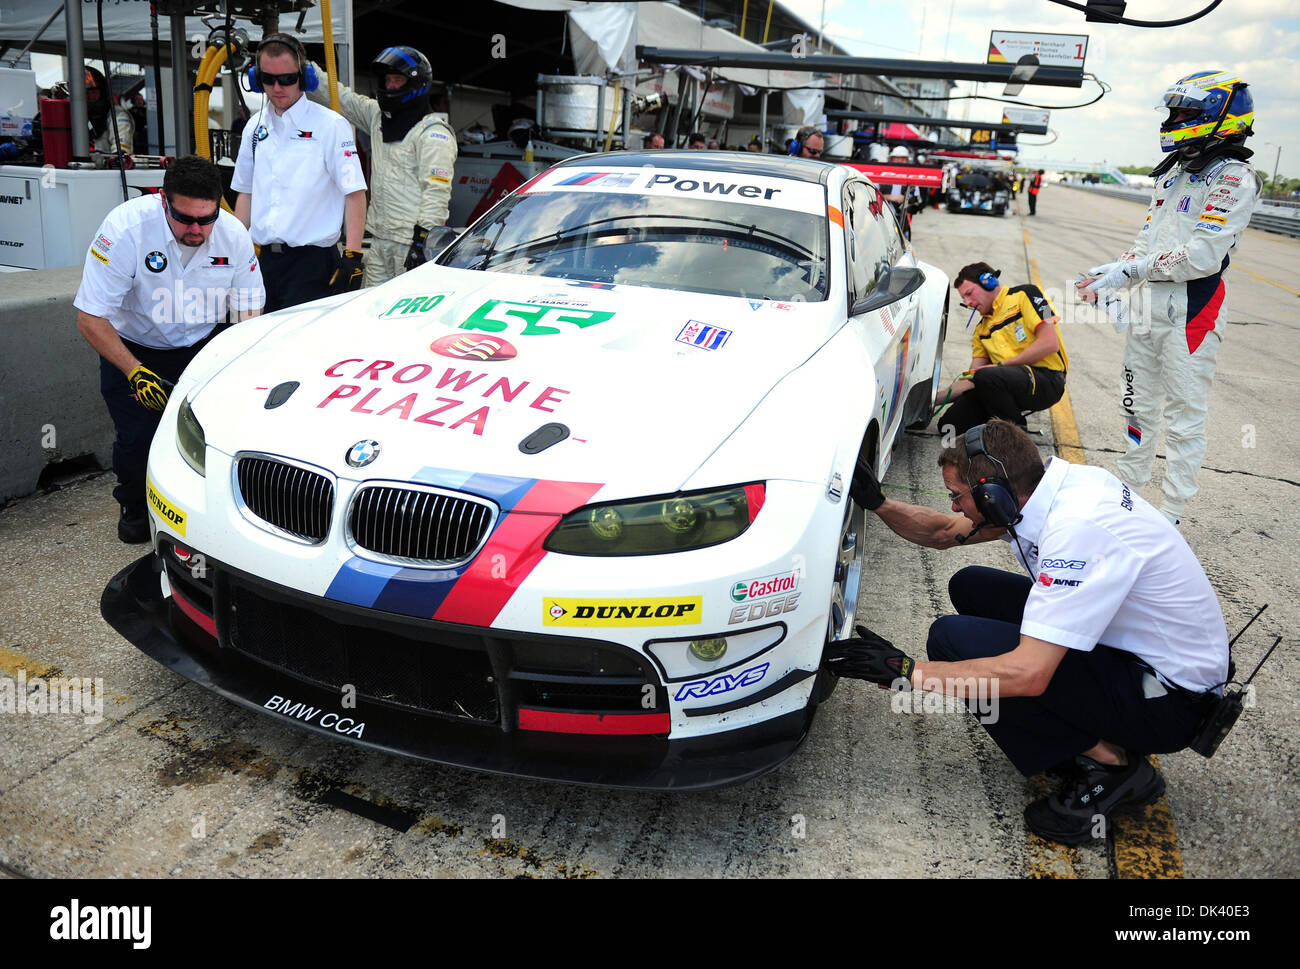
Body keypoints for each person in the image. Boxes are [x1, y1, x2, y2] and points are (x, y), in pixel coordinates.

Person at [831, 419, 1230, 845]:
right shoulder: (1055, 487)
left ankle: (1113, 766)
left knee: (951, 640)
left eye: (956, 497)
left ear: (992, 493)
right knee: (970, 586)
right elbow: (945, 533)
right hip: (1141, 659)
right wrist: (878, 504)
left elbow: (1028, 674)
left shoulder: (1077, 530)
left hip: (1169, 705)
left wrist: (905, 671)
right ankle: (1088, 731)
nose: (952, 507)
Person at [1077, 71, 1258, 526]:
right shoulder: (1173, 173)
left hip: (1192, 310)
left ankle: (1172, 513)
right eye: (1174, 112)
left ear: (1216, 117)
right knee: (1135, 403)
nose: (1174, 120)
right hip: (1148, 308)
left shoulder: (1233, 177)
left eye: (1184, 113)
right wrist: (1111, 276)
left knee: (1183, 415)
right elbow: (1146, 242)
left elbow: (1201, 256)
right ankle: (1128, 495)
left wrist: (1132, 270)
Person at [74, 155, 265, 543]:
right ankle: (133, 503)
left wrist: (242, 369)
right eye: (185, 219)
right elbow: (91, 318)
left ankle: (207, 513)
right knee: (138, 439)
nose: (196, 229)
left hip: (202, 344)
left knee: (214, 435)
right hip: (133, 348)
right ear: (164, 200)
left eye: (205, 219)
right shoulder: (124, 229)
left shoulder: (233, 234)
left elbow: (249, 312)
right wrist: (135, 372)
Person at [232, 33, 367, 311]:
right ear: (258, 80)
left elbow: (355, 193)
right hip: (261, 263)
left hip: (312, 265)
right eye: (268, 79)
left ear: (304, 78)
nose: (277, 87)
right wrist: (230, 248)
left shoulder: (331, 125)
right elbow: (245, 192)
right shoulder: (253, 128)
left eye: (287, 79)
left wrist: (353, 256)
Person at [305, 46, 457, 287]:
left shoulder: (434, 133)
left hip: (412, 245)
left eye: (398, 79)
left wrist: (423, 242)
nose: (391, 86)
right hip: (379, 242)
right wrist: (305, 69)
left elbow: (436, 194)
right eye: (388, 80)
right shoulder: (378, 116)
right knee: (371, 313)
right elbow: (344, 99)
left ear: (417, 83)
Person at [934, 262, 1067, 434]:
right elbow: (972, 378)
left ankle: (1014, 433)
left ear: (988, 282)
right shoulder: (981, 330)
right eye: (964, 299)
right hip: (1001, 380)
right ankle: (1002, 419)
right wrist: (933, 399)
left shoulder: (1027, 294)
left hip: (1047, 379)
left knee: (987, 376)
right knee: (949, 426)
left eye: (969, 294)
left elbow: (1050, 343)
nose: (968, 303)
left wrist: (1001, 366)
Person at [82, 66, 134, 157]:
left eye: (94, 92)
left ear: (103, 92)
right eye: (86, 93)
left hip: (109, 169)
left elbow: (121, 154)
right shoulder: (77, 117)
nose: (90, 97)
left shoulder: (117, 115)